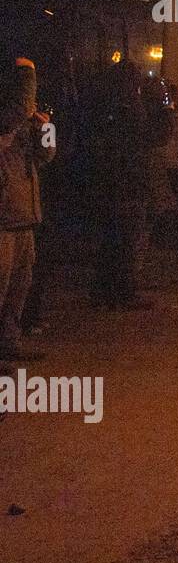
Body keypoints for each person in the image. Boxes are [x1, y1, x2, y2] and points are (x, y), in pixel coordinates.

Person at [88, 57, 153, 310]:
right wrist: (166, 112)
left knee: (112, 240)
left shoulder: (105, 104)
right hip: (128, 182)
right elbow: (147, 137)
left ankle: (103, 291)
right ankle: (123, 293)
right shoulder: (131, 106)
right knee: (126, 241)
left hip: (111, 182)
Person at [0, 59, 54, 361]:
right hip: (5, 216)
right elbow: (19, 108)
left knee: (19, 287)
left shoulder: (21, 125)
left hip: (23, 215)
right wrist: (27, 71)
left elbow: (46, 156)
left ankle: (8, 343)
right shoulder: (7, 120)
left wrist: (45, 129)